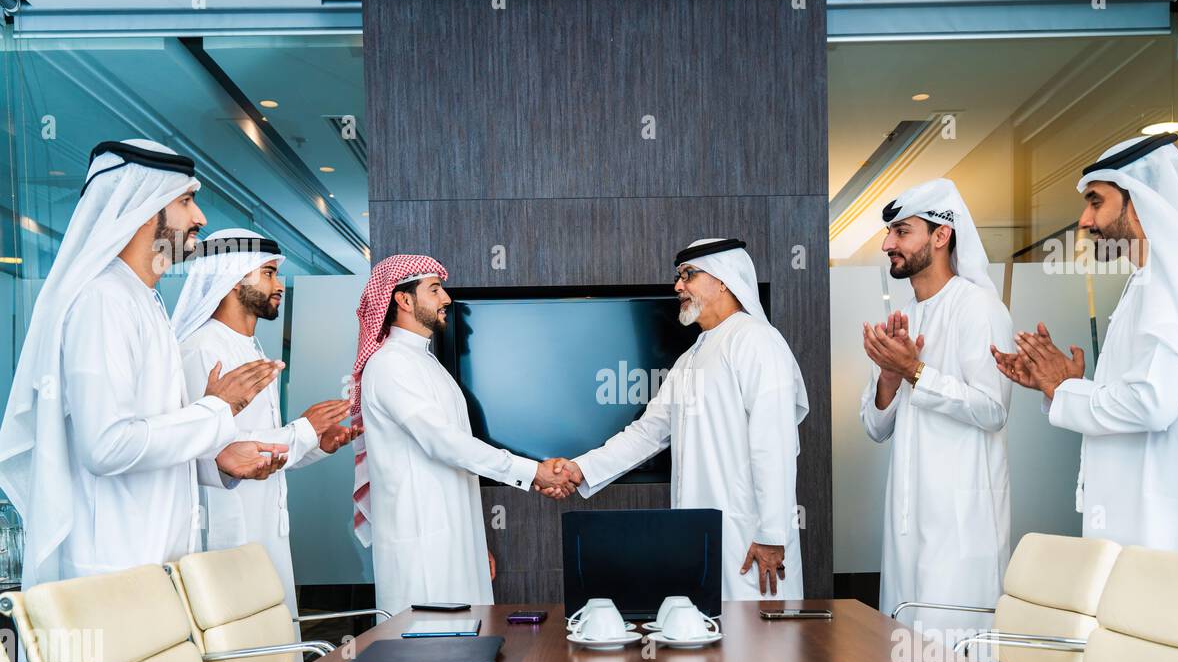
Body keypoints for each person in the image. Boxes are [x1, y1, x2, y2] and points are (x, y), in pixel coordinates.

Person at [0, 139, 286, 662]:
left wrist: (216, 459)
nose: (199, 218)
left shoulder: (144, 303)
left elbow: (151, 435)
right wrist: (216, 410)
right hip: (115, 573)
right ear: (141, 207)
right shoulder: (103, 302)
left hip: (153, 571)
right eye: (186, 201)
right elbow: (107, 446)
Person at [992, 133, 1178, 557]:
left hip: (1171, 528)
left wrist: (1065, 388)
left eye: (1096, 202)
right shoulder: (1150, 281)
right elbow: (1150, 392)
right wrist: (1062, 384)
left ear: (1141, 200)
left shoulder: (1170, 283)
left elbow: (1152, 402)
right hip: (1155, 514)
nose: (1085, 221)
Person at [546, 238, 809, 600]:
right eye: (678, 276)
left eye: (688, 275)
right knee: (709, 646)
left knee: (761, 649)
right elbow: (648, 432)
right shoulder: (691, 358)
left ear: (723, 279)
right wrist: (581, 469)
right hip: (698, 539)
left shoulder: (757, 341)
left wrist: (772, 535)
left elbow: (774, 443)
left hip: (752, 543)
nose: (677, 286)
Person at [350, 254, 576, 613]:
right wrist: (532, 471)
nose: (447, 300)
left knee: (465, 646)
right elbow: (446, 445)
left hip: (454, 539)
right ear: (403, 300)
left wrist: (474, 540)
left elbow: (457, 458)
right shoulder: (390, 364)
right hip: (423, 546)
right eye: (435, 290)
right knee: (426, 652)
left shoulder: (426, 362)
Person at [174, 228, 360, 627]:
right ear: (233, 276)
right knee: (247, 656)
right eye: (269, 274)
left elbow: (262, 453)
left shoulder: (250, 347)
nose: (279, 286)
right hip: (228, 532)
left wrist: (316, 443)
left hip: (264, 530)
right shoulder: (202, 348)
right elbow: (215, 453)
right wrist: (304, 429)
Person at [860, 178, 1013, 634]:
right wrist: (890, 375)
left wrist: (915, 372)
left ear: (941, 235)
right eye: (890, 234)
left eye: (901, 232)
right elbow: (875, 427)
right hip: (905, 527)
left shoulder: (979, 309)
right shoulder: (904, 316)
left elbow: (993, 409)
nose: (888, 244)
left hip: (961, 528)